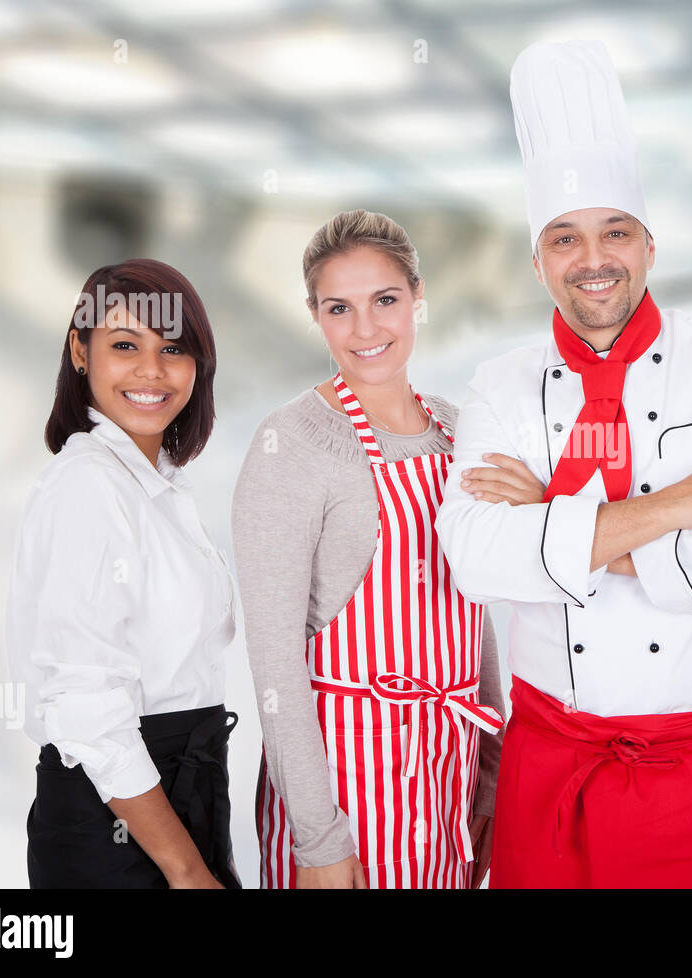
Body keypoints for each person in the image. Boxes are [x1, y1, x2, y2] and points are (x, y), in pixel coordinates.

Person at [435, 40, 692, 889]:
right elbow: (476, 557)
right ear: (538, 261)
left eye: (614, 232)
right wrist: (685, 502)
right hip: (552, 769)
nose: (592, 258)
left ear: (648, 245)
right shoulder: (498, 387)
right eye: (564, 238)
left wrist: (555, 518)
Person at [233, 209, 505, 889]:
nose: (365, 330)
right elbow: (274, 668)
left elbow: (476, 605)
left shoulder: (457, 429)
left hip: (448, 780)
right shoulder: (290, 443)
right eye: (338, 308)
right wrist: (318, 841)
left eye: (385, 300)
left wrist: (492, 771)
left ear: (418, 297)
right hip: (346, 797)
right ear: (314, 315)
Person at [8, 258, 238, 888]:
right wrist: (188, 871)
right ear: (80, 352)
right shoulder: (88, 485)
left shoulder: (159, 486)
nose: (152, 371)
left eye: (173, 349)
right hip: (117, 823)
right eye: (125, 346)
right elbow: (86, 703)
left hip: (174, 803)